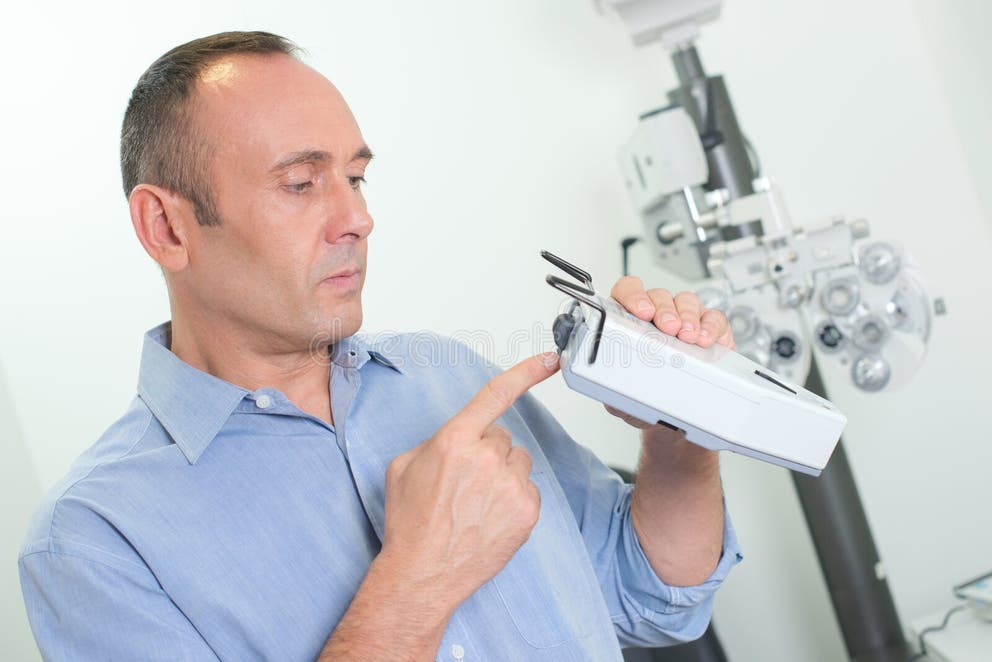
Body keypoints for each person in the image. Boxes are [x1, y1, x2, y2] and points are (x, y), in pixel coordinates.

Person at [19, 31, 741, 661]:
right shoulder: (93, 542)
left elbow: (653, 597)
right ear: (167, 229)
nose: (359, 218)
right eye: (301, 184)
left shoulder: (449, 378)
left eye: (357, 177)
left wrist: (679, 434)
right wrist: (419, 578)